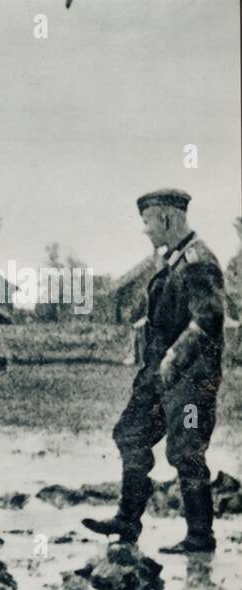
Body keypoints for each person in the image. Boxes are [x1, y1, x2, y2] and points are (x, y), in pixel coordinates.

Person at [82, 189, 227, 553]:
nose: (145, 230)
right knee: (130, 433)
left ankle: (199, 536)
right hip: (157, 376)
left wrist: (174, 357)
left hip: (192, 380)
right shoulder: (172, 261)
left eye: (147, 222)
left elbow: (208, 318)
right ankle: (127, 521)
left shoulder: (199, 260)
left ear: (165, 218)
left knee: (186, 449)